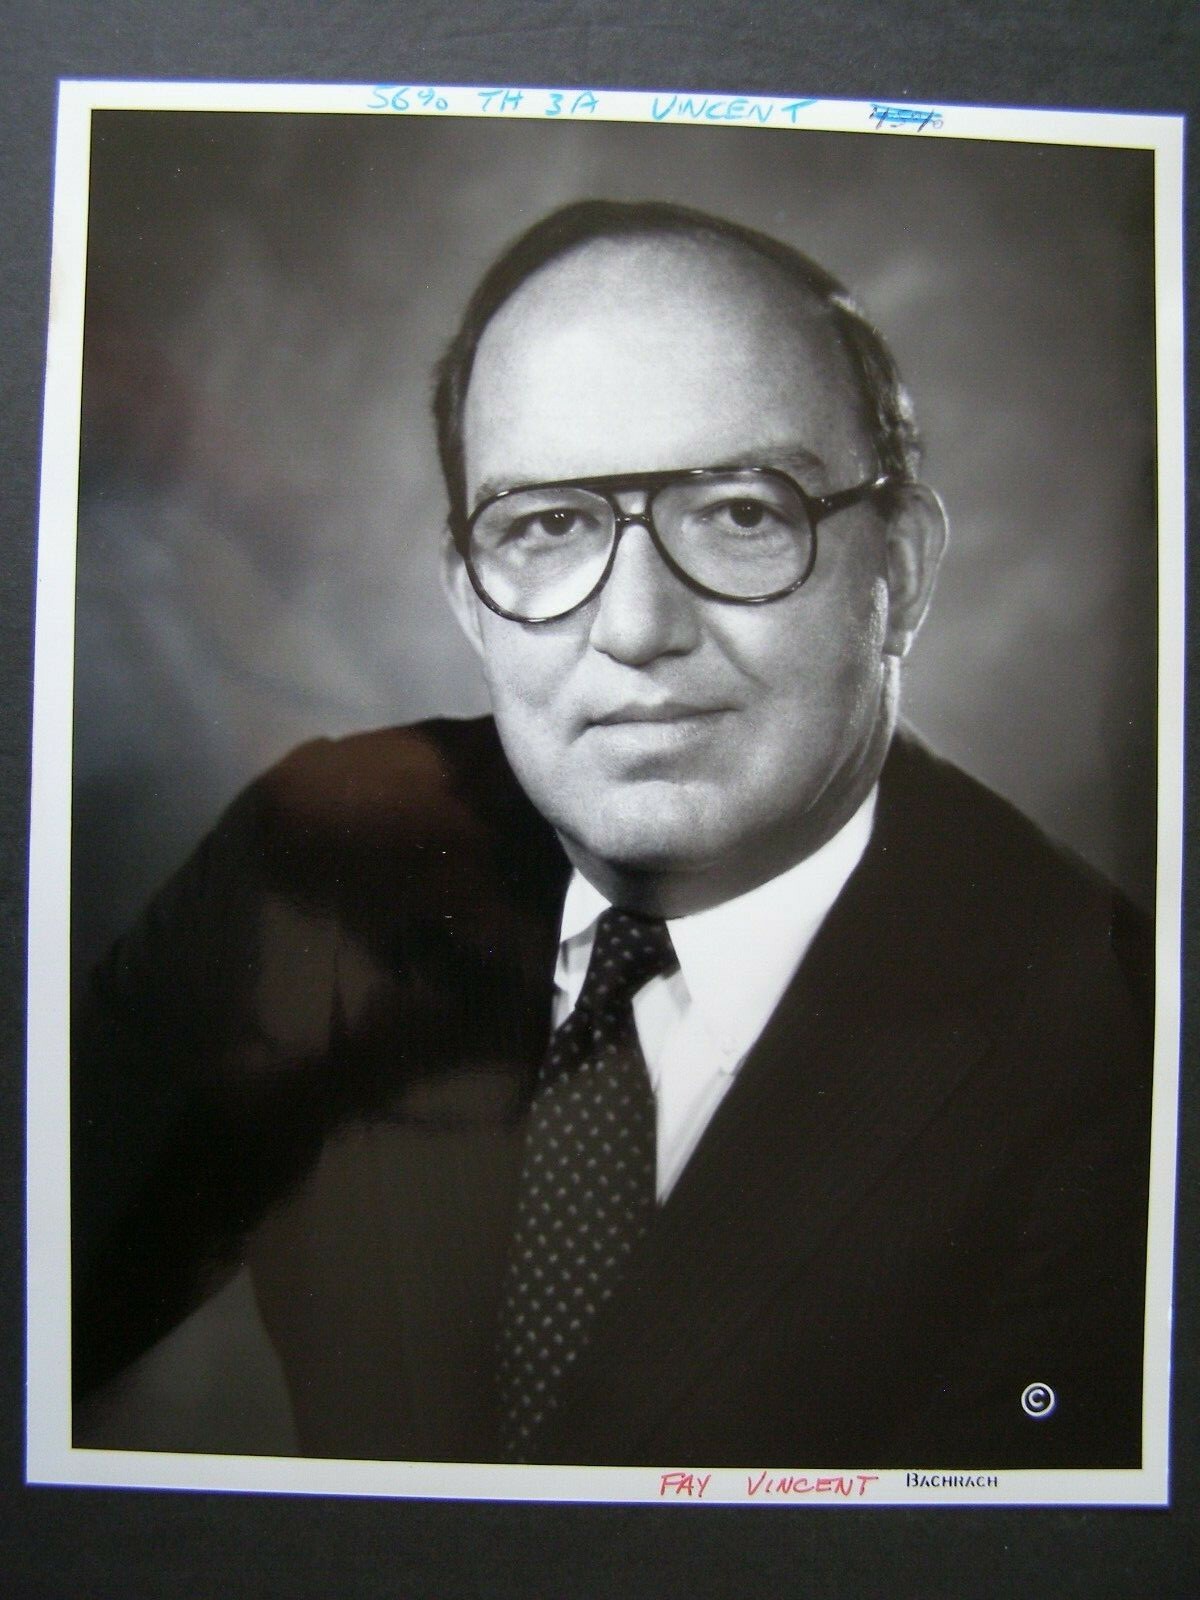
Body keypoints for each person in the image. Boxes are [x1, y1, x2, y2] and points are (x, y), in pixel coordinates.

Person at [72, 200, 1152, 1469]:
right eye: (546, 525)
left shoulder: (1119, 1044)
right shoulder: (316, 860)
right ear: (472, 601)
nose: (637, 626)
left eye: (741, 512)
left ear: (901, 571)